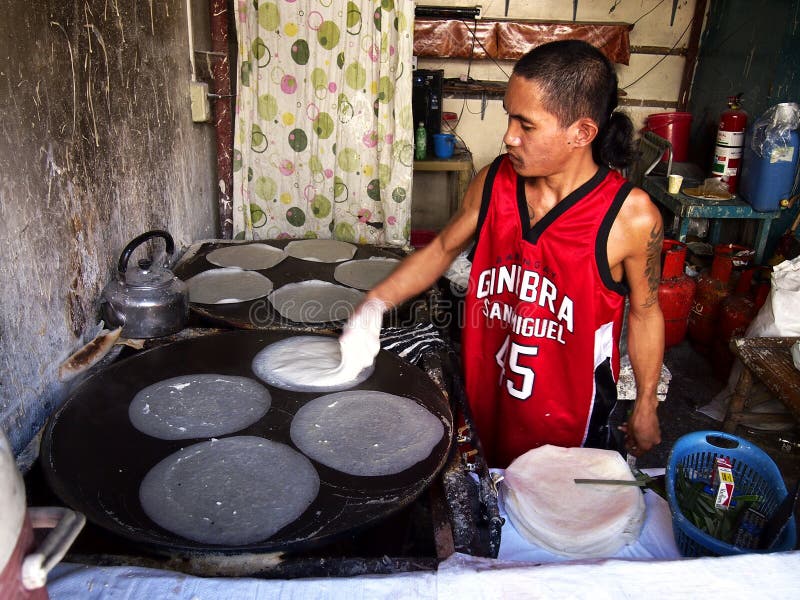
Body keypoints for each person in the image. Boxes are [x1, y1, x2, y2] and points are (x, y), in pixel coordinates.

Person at [340, 40, 664, 468]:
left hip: (567, 423)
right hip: (486, 395)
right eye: (509, 116)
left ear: (581, 133)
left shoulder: (631, 217)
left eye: (526, 125)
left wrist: (645, 402)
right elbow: (441, 249)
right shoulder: (494, 180)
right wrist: (374, 304)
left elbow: (645, 311)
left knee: (547, 518)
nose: (508, 135)